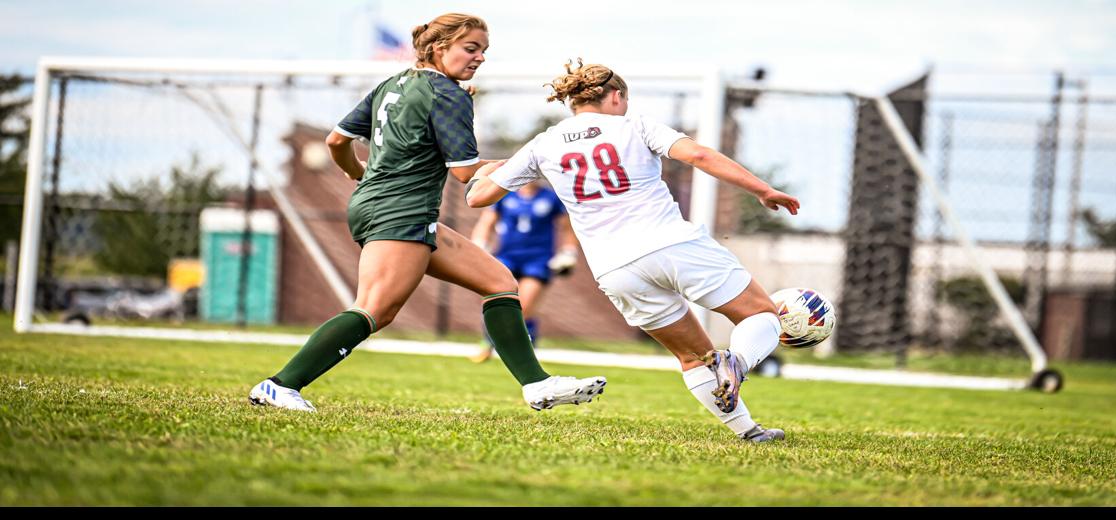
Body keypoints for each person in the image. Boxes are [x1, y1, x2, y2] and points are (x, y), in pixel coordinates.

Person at [248, 14, 604, 413]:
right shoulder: (447, 94)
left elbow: (336, 141)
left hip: (393, 207)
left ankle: (536, 384)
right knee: (374, 308)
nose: (480, 58)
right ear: (440, 48)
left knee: (499, 282)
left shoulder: (393, 84)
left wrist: (357, 174)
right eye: (471, 48)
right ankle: (279, 385)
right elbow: (466, 172)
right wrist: (532, 162)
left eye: (484, 51)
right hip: (400, 211)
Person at [465, 60, 798, 443]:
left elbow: (477, 197)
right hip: (671, 244)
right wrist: (762, 189)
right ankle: (736, 363)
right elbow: (699, 156)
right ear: (617, 96)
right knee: (761, 313)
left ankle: (750, 432)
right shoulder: (635, 124)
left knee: (692, 357)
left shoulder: (544, 144)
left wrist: (504, 167)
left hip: (614, 269)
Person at [466, 179, 581, 364]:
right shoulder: (504, 196)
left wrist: (569, 252)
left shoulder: (551, 198)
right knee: (496, 301)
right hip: (506, 257)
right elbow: (486, 223)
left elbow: (567, 229)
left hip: (538, 260)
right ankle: (488, 343)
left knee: (525, 307)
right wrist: (479, 245)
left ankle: (526, 348)